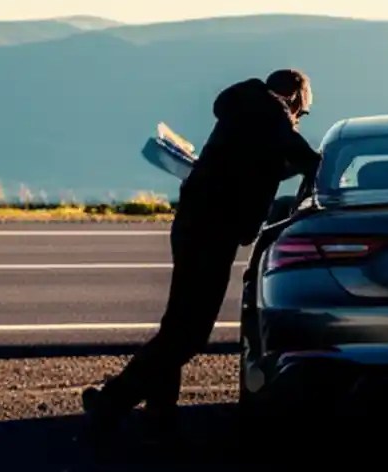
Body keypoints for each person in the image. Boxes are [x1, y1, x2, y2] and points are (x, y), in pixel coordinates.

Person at [81, 68, 321, 437]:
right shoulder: (271, 115)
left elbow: (266, 160)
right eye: (301, 113)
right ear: (293, 98)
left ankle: (158, 416)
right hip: (213, 232)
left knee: (177, 325)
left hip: (196, 225)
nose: (298, 121)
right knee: (189, 334)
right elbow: (304, 159)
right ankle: (111, 404)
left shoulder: (246, 113)